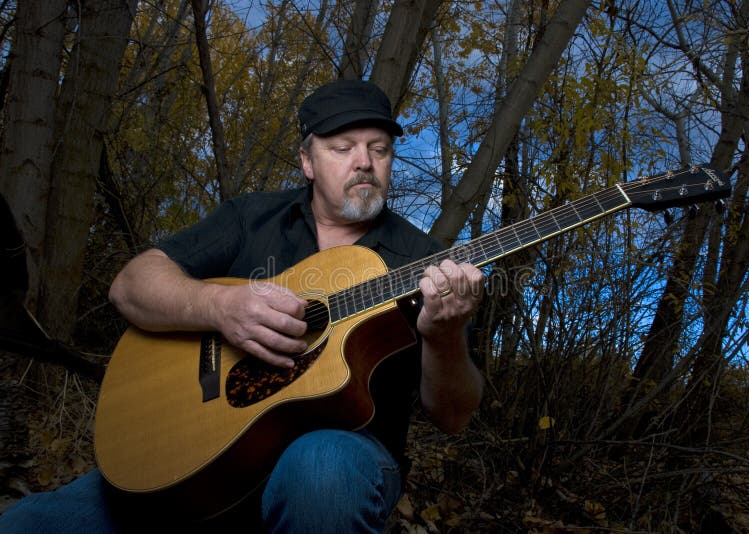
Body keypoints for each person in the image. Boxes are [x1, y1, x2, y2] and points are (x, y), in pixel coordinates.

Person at [0, 78, 484, 532]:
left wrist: (443, 337)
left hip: (344, 455)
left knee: (320, 468)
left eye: (379, 149)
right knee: (25, 524)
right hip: (203, 452)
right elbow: (130, 285)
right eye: (343, 148)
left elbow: (454, 416)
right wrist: (218, 304)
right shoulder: (252, 217)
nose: (364, 162)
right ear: (307, 161)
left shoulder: (426, 263)